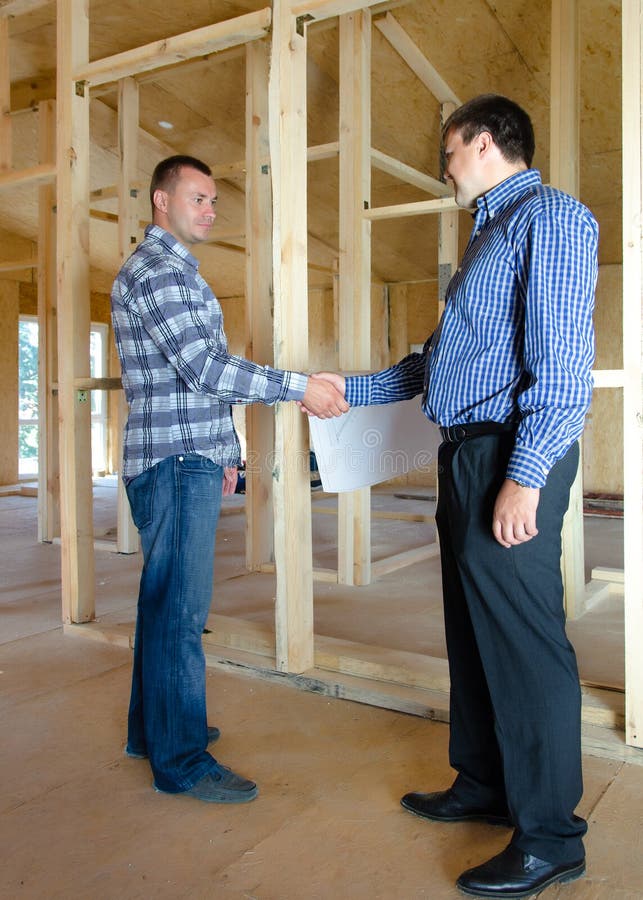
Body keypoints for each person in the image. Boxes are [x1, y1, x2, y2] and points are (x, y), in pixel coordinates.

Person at [312, 95, 598, 897]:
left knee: (525, 644)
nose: (442, 167)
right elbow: (429, 367)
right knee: (473, 634)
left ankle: (550, 837)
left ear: (482, 142)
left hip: (505, 453)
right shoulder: (484, 239)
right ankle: (483, 783)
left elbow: (562, 368)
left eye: (447, 151)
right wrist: (345, 388)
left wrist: (524, 475)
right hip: (465, 451)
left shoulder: (549, 218)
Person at [111, 154, 347, 805]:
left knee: (164, 606)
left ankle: (152, 732)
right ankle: (182, 762)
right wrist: (298, 386)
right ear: (162, 200)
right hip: (172, 462)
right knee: (180, 614)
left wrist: (226, 454)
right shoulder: (157, 271)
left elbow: (198, 383)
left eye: (214, 200)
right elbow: (205, 371)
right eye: (198, 198)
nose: (210, 210)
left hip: (186, 456)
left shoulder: (177, 271)